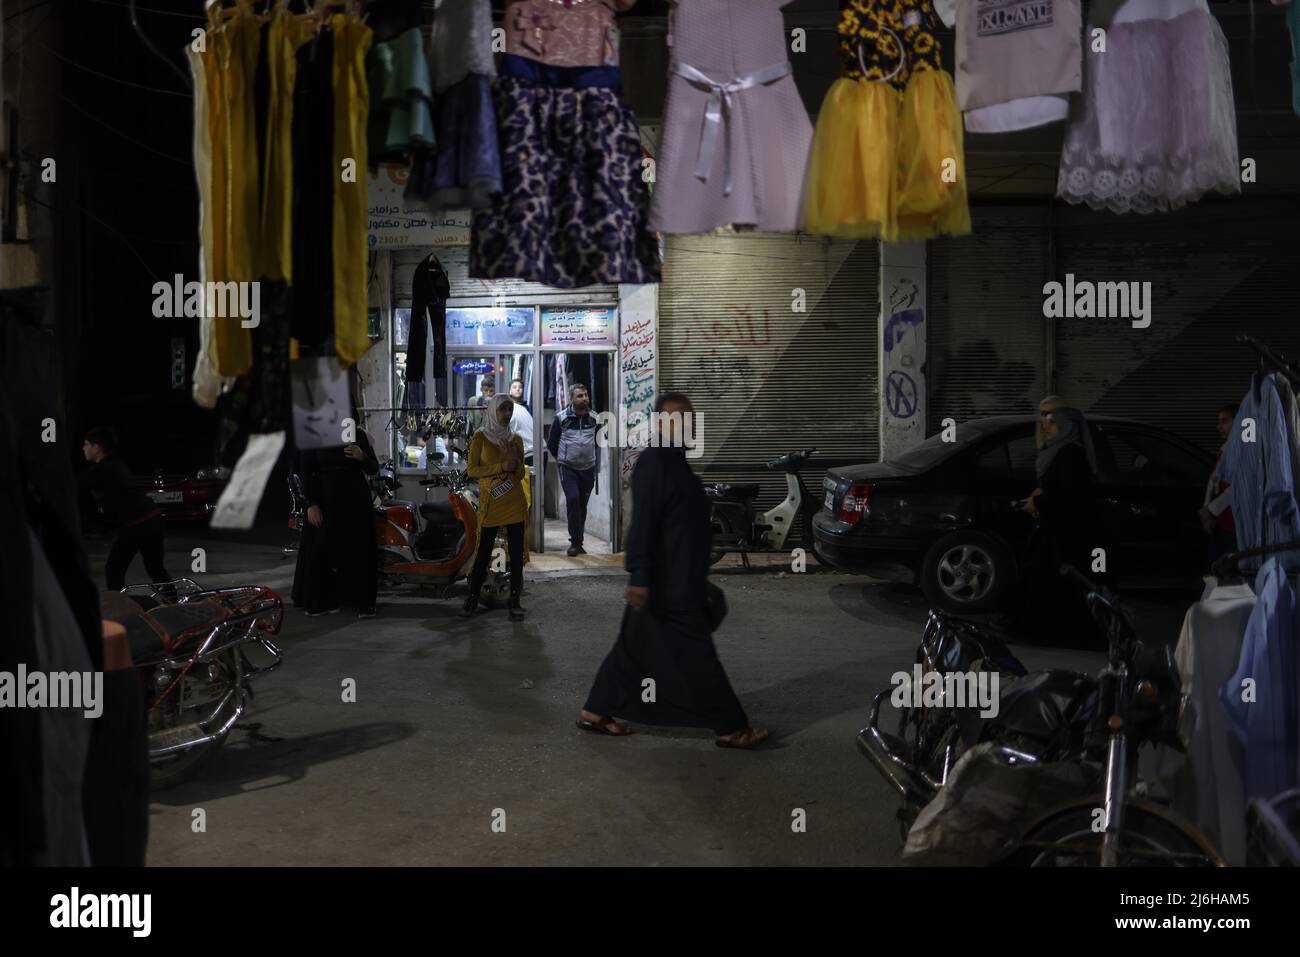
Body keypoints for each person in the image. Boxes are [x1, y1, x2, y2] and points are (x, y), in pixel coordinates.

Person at [577, 392, 769, 749]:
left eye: (690, 416)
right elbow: (644, 522)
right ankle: (731, 727)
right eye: (677, 416)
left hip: (677, 578)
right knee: (699, 656)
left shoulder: (673, 460)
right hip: (669, 583)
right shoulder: (656, 463)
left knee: (631, 650)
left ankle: (595, 710)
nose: (686, 423)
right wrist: (639, 576)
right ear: (660, 423)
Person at [1013, 405, 1098, 640]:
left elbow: (1068, 496)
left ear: (1066, 426)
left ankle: (1049, 631)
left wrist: (1038, 504)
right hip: (1053, 528)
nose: (1045, 427)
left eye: (1051, 422)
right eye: (1044, 422)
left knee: (1053, 580)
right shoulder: (1056, 451)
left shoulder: (1071, 454)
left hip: (1066, 531)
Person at [292, 427, 380, 618]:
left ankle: (363, 602)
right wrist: (311, 503)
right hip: (325, 499)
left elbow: (374, 467)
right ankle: (322, 601)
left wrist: (362, 456)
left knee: (360, 551)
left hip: (355, 499)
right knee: (320, 550)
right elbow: (306, 471)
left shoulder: (358, 435)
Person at [79, 427, 172, 590]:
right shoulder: (116, 464)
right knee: (155, 569)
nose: (83, 448)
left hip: (137, 524)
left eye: (86, 444)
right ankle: (174, 603)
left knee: (114, 568)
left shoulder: (103, 469)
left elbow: (78, 490)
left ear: (97, 447)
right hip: (152, 518)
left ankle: (117, 608)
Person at [461, 393, 527, 621]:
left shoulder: (515, 439)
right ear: (493, 411)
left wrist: (515, 463)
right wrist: (501, 466)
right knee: (483, 552)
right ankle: (471, 599)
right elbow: (472, 470)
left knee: (516, 555)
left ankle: (515, 600)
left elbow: (520, 474)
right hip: (491, 504)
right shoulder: (480, 437)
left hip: (514, 504)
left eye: (510, 409)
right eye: (503, 409)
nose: (507, 414)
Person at [547, 383, 600, 556]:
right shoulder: (561, 418)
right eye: (580, 396)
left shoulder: (594, 418)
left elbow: (598, 442)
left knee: (582, 506)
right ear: (571, 399)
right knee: (573, 499)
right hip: (568, 468)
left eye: (585, 395)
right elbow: (552, 443)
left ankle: (579, 541)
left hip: (588, 468)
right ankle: (574, 542)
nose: (584, 398)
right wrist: (563, 459)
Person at [1200, 402, 1238, 567]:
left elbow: (1235, 488)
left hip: (1231, 522)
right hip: (1221, 519)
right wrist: (1207, 509)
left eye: (1225, 421)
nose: (1219, 426)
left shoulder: (1240, 450)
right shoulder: (1226, 448)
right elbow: (1213, 480)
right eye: (1219, 421)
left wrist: (1209, 509)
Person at [508, 381, 535, 467]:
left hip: (529, 452)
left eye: (520, 387)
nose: (518, 389)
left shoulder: (508, 410)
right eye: (514, 387)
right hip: (540, 450)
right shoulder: (522, 408)